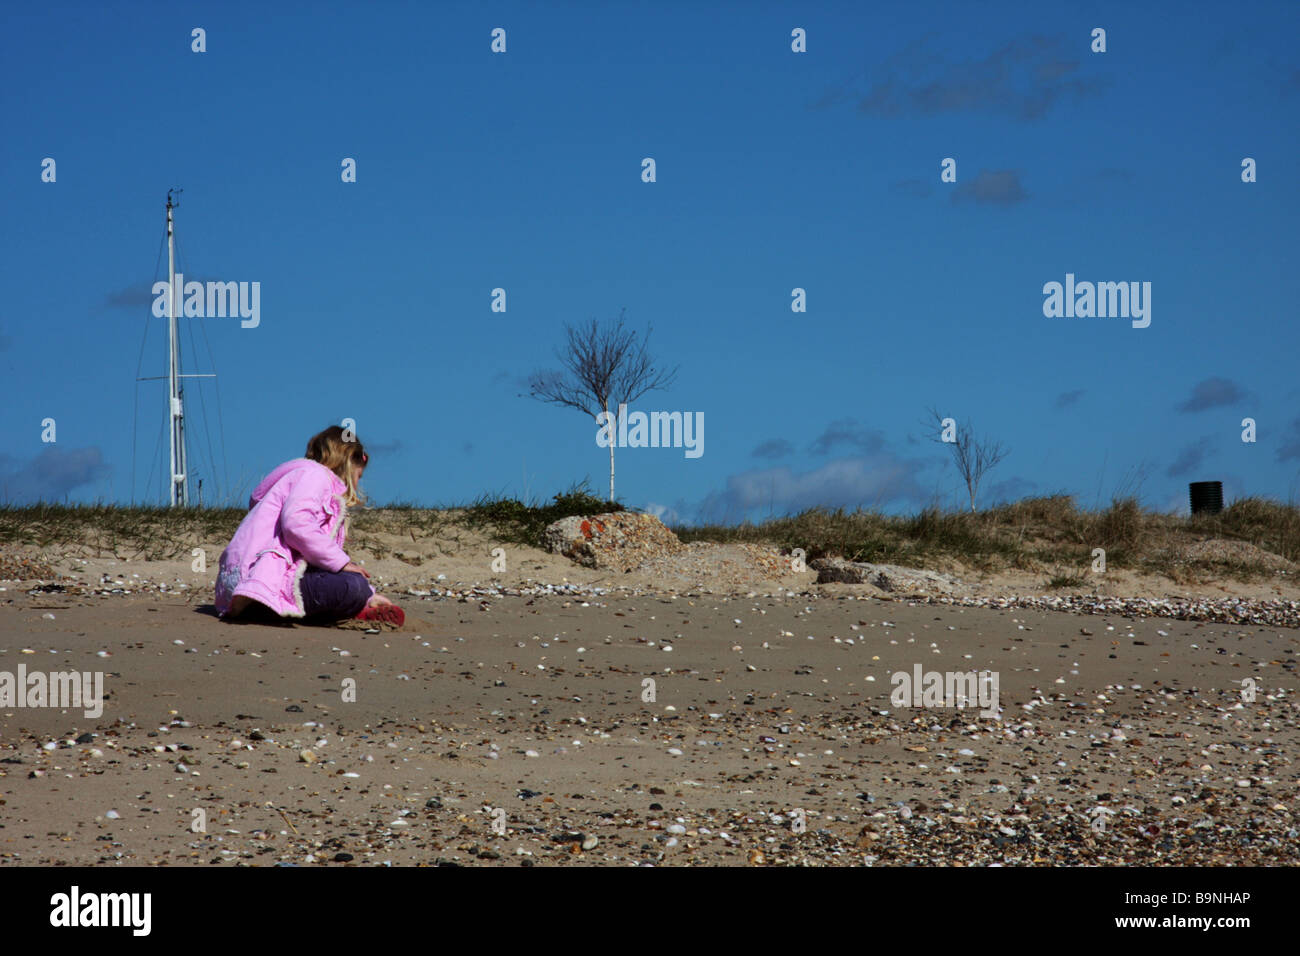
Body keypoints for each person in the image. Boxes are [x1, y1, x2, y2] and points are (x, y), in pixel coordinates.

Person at [214, 425, 404, 627]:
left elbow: (314, 562)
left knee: (354, 585)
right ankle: (344, 609)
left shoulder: (304, 480)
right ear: (349, 462)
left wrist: (369, 593)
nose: (357, 485)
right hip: (260, 584)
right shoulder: (315, 476)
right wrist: (344, 565)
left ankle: (357, 605)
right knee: (352, 586)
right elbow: (296, 525)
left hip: (243, 584)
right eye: (359, 476)